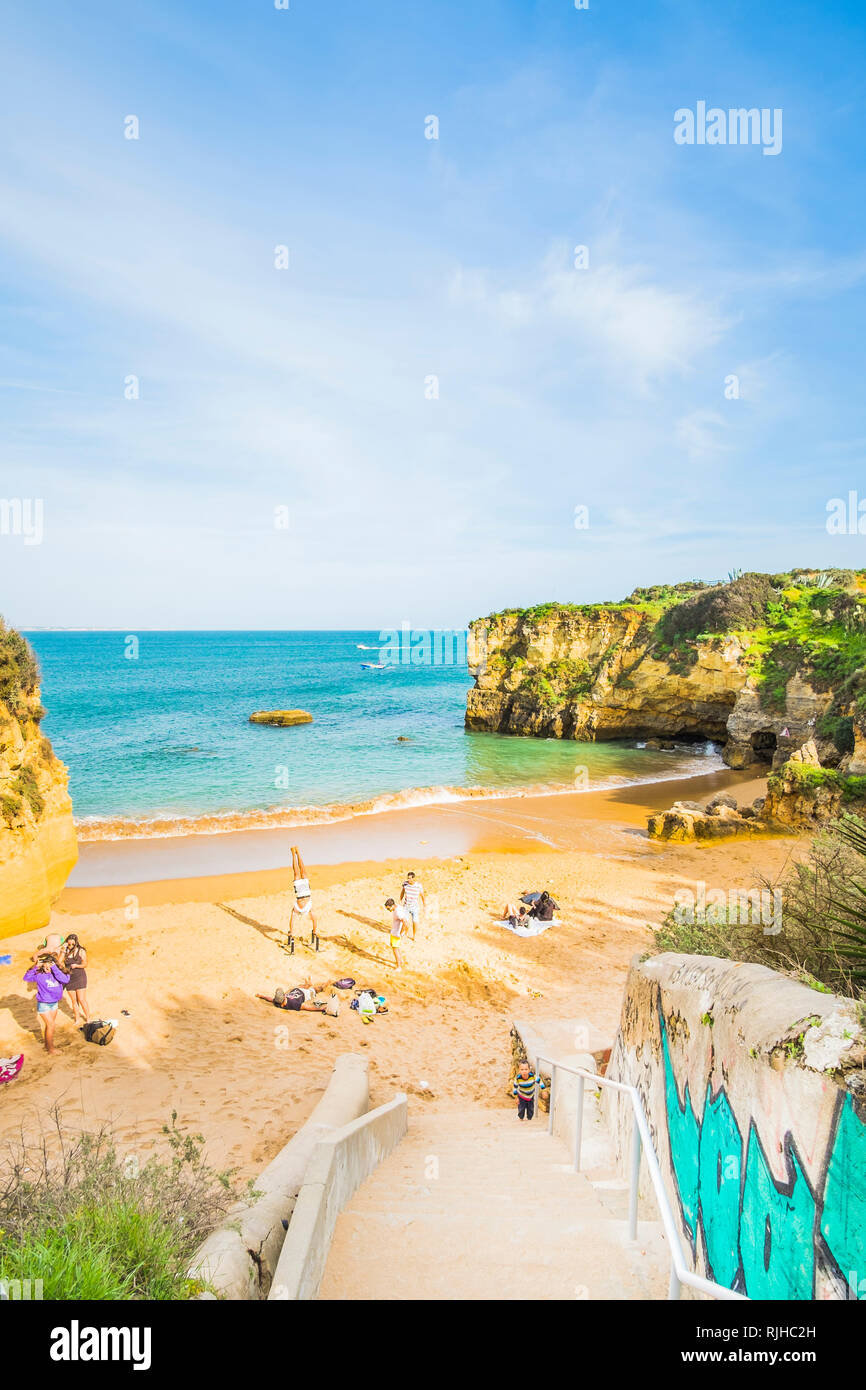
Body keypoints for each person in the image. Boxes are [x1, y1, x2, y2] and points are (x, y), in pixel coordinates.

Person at [22, 952, 70, 1055]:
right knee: (51, 1025)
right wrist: (35, 966)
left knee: (49, 1026)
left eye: (49, 967)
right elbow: (26, 978)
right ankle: (51, 1049)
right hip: (44, 1004)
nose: (47, 969)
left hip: (54, 1003)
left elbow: (66, 979)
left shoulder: (57, 974)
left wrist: (55, 969)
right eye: (45, 967)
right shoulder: (39, 975)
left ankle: (47, 1046)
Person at [287, 845, 319, 950]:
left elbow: (292, 920)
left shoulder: (297, 909)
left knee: (296, 873)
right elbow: (314, 919)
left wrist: (291, 932)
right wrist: (315, 931)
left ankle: (294, 853)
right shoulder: (307, 908)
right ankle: (297, 852)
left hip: (301, 896)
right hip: (305, 895)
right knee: (302, 871)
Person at [256, 977, 337, 1013]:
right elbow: (307, 1007)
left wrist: (261, 996)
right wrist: (321, 1009)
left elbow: (269, 999)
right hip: (306, 994)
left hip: (297, 991)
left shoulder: (277, 1001)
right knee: (317, 989)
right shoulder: (293, 1004)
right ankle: (326, 984)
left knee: (296, 987)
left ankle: (308, 984)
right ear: (283, 999)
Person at [62, 934, 89, 1026]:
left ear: (76, 943)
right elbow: (59, 961)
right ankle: (77, 1019)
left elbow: (85, 964)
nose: (70, 946)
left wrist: (77, 965)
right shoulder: (65, 951)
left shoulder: (81, 951)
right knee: (74, 1001)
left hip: (79, 976)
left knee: (81, 999)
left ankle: (88, 1018)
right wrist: (63, 949)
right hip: (69, 978)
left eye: (72, 944)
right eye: (69, 944)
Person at [385, 897, 411, 970]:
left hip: (396, 934)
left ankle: (398, 967)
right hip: (395, 933)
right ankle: (401, 961)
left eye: (388, 908)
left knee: (395, 950)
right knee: (397, 948)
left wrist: (401, 932)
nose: (388, 910)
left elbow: (405, 922)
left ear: (392, 906)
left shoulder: (397, 912)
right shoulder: (398, 907)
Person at [399, 871, 425, 940]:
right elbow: (402, 893)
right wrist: (400, 901)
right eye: (408, 878)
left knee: (415, 922)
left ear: (413, 879)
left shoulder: (419, 886)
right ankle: (404, 932)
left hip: (415, 907)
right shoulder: (405, 884)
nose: (408, 880)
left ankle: (414, 936)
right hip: (406, 906)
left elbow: (422, 896)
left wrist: (424, 905)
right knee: (405, 922)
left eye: (410, 878)